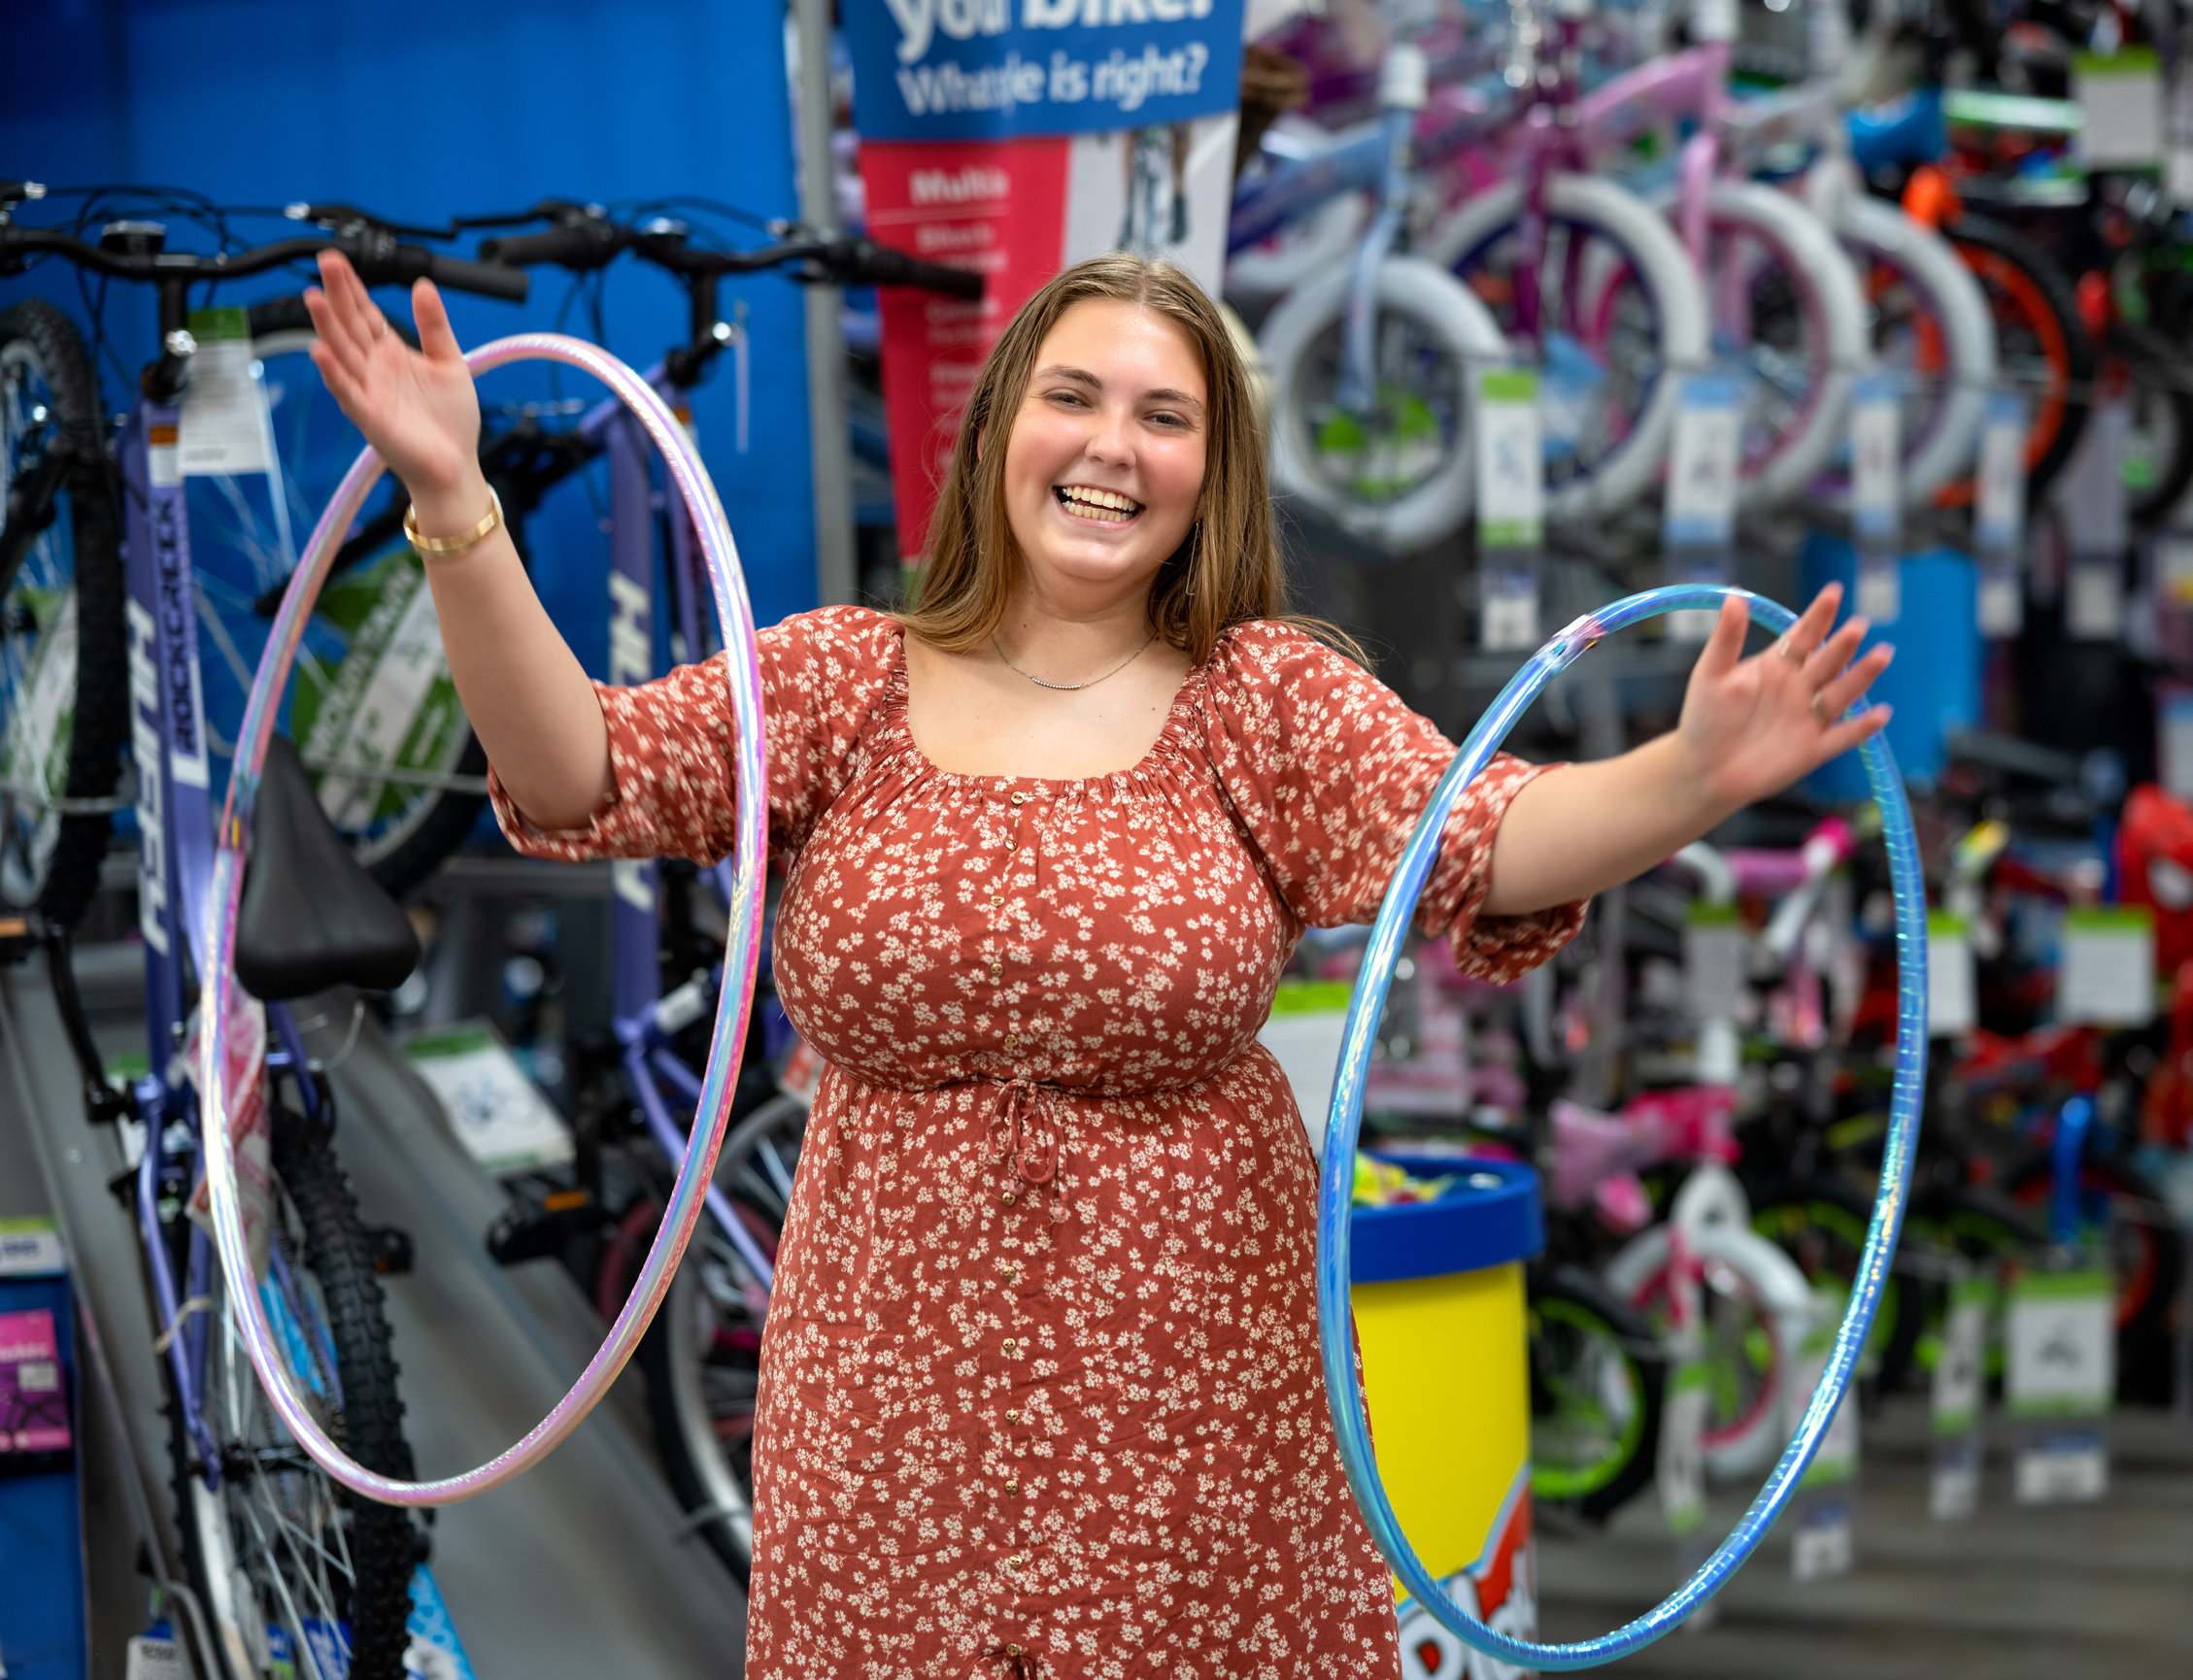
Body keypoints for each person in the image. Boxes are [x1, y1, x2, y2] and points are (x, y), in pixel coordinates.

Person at [306, 247, 1890, 1678]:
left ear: (1212, 477)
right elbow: (578, 768)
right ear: (998, 430)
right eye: (1072, 396)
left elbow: (1488, 839)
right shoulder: (847, 681)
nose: (1111, 447)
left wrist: (1689, 780)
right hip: (890, 1410)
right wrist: (453, 503)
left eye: (1165, 417)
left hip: (1191, 1414)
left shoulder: (1262, 701)